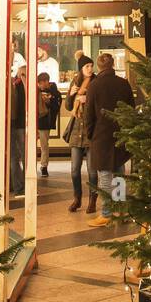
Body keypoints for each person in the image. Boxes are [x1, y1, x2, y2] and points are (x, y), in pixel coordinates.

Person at [85, 53, 134, 228]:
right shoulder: (123, 84)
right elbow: (131, 109)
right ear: (113, 65)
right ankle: (121, 210)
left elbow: (89, 114)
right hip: (120, 134)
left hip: (101, 136)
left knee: (104, 176)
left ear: (99, 66)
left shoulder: (94, 85)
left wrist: (90, 134)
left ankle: (106, 213)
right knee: (119, 174)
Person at [63, 56, 96, 213]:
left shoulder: (96, 82)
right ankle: (77, 198)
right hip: (77, 131)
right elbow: (69, 107)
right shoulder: (75, 82)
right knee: (75, 169)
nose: (90, 69)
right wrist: (70, 94)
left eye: (91, 66)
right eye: (87, 66)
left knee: (92, 170)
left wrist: (86, 99)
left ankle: (92, 200)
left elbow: (99, 105)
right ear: (81, 69)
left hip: (91, 131)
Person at [37, 71, 61, 177]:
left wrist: (49, 101)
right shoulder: (35, 91)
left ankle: (44, 166)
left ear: (47, 82)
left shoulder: (54, 93)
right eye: (40, 83)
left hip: (44, 122)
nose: (41, 85)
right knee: (42, 145)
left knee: (44, 145)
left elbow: (56, 108)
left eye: (43, 82)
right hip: (37, 121)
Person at [9, 64, 27, 195]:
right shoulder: (15, 85)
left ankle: (19, 185)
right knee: (16, 156)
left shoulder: (18, 85)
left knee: (18, 156)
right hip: (17, 124)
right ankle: (19, 186)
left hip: (17, 124)